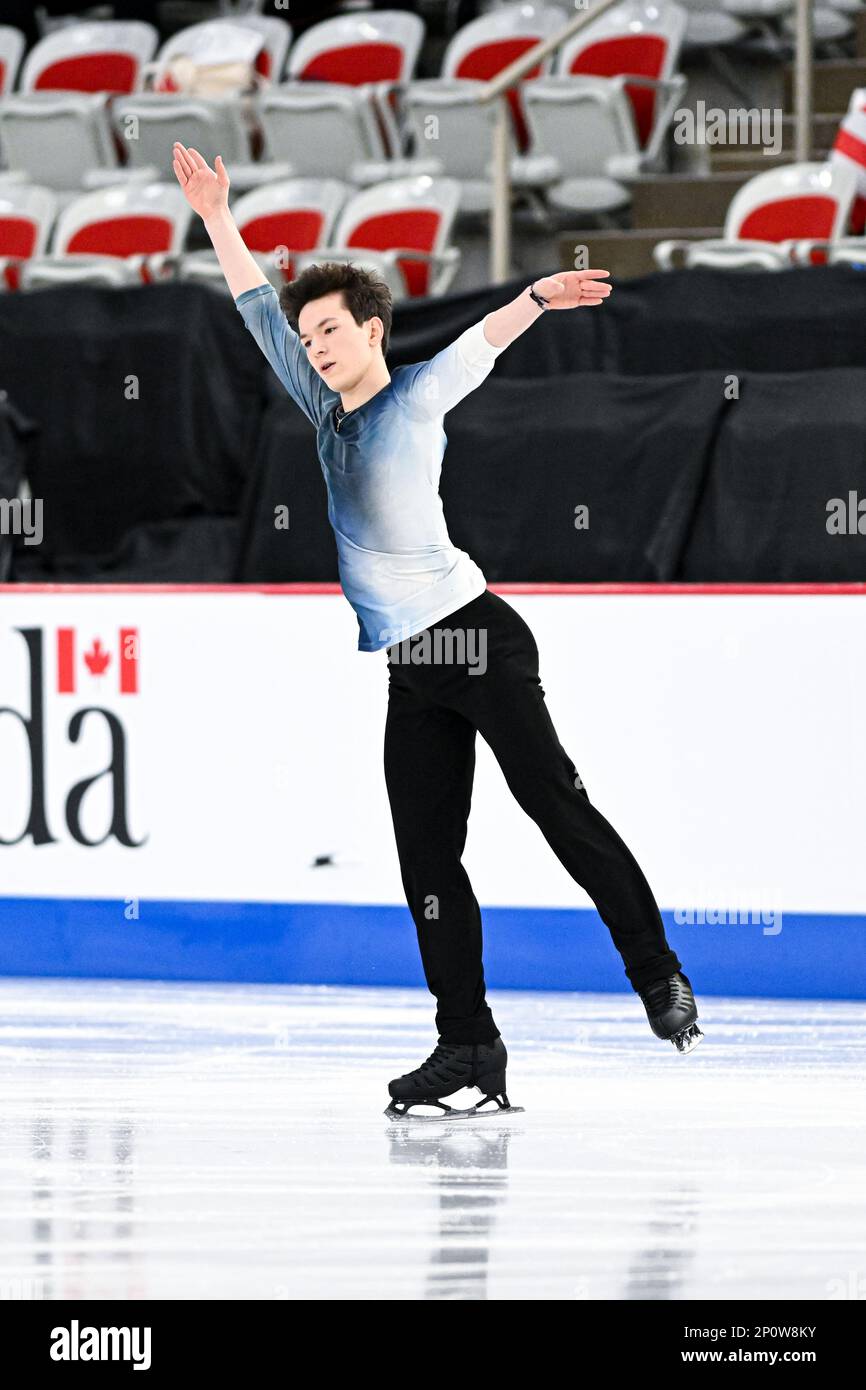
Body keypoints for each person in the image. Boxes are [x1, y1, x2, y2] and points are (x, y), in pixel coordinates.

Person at [172, 142, 703, 1121]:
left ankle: (655, 972)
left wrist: (535, 298)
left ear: (372, 332)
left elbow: (479, 344)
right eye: (311, 336)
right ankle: (466, 1041)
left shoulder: (412, 396)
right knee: (426, 862)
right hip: (412, 667)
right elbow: (255, 312)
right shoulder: (320, 408)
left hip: (477, 639)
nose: (317, 347)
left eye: (331, 331)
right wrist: (216, 219)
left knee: (556, 806)